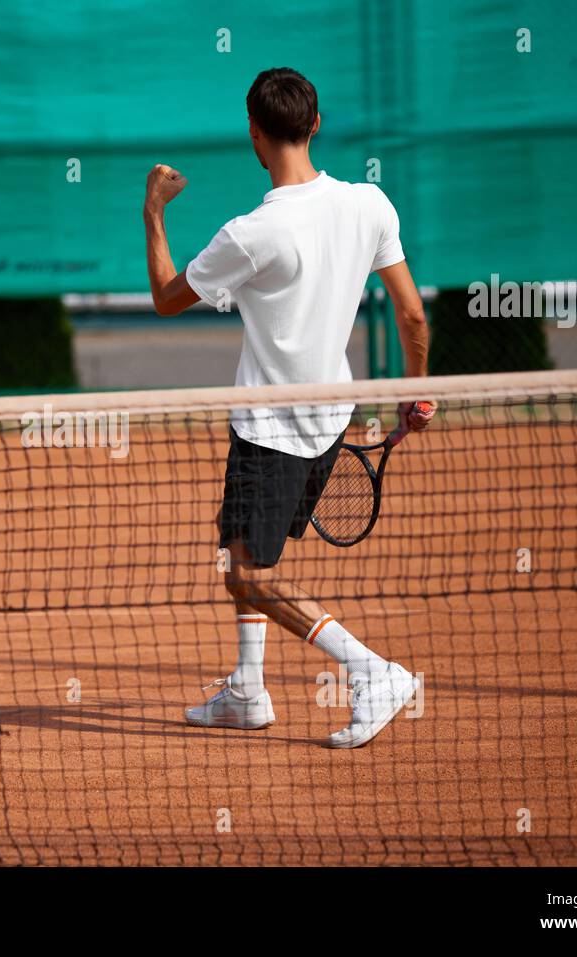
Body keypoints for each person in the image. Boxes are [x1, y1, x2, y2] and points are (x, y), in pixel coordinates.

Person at [143, 67, 434, 748]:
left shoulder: (250, 233)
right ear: (316, 123)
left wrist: (154, 211)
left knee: (247, 575)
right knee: (244, 550)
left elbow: (164, 296)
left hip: (270, 430)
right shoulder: (370, 203)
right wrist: (415, 395)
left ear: (254, 132)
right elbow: (413, 315)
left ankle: (373, 670)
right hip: (331, 420)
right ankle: (247, 690)